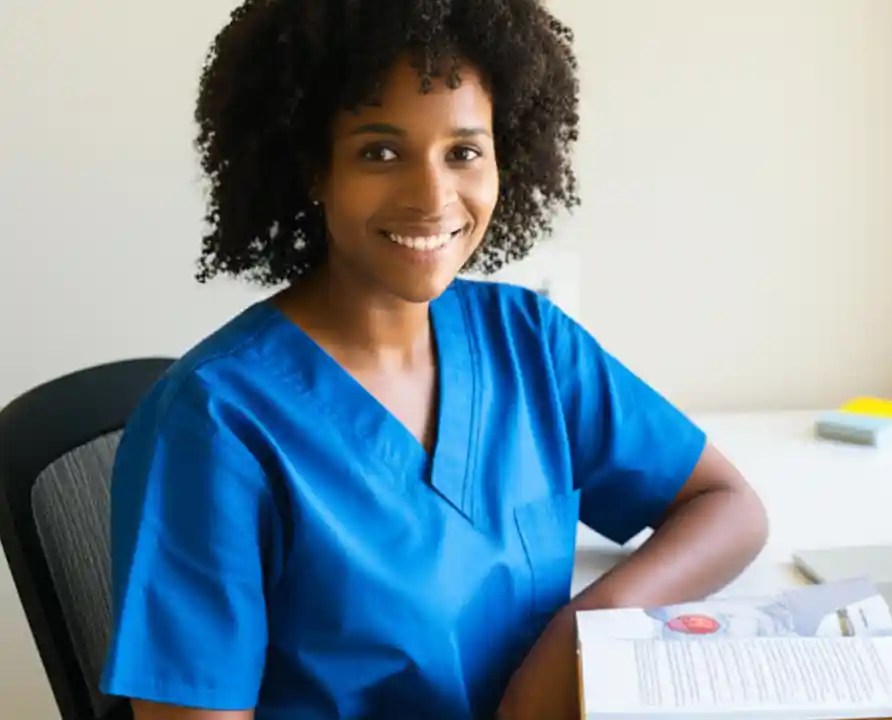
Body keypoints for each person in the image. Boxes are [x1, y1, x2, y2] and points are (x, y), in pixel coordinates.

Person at [98, 1, 768, 719]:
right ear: (313, 167)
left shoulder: (527, 340)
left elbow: (728, 508)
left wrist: (578, 635)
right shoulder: (215, 423)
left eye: (463, 151)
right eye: (380, 151)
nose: (431, 196)